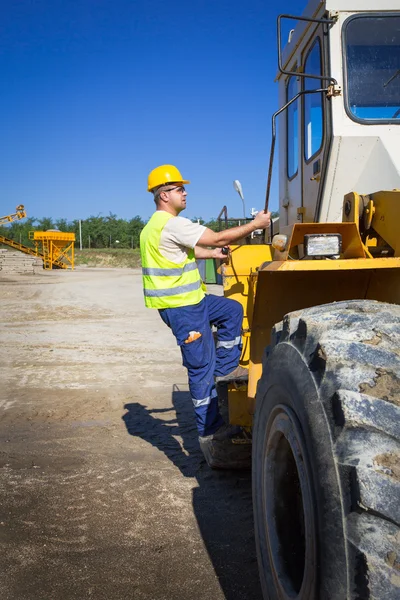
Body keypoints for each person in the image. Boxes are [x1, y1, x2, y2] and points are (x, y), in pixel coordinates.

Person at [140, 164, 271, 467]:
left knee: (231, 310)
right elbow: (215, 237)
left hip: (192, 302)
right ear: (163, 194)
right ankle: (210, 435)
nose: (184, 192)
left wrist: (211, 256)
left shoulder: (154, 228)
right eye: (178, 189)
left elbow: (185, 251)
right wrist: (255, 225)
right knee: (199, 368)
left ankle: (223, 372)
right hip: (183, 309)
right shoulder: (172, 223)